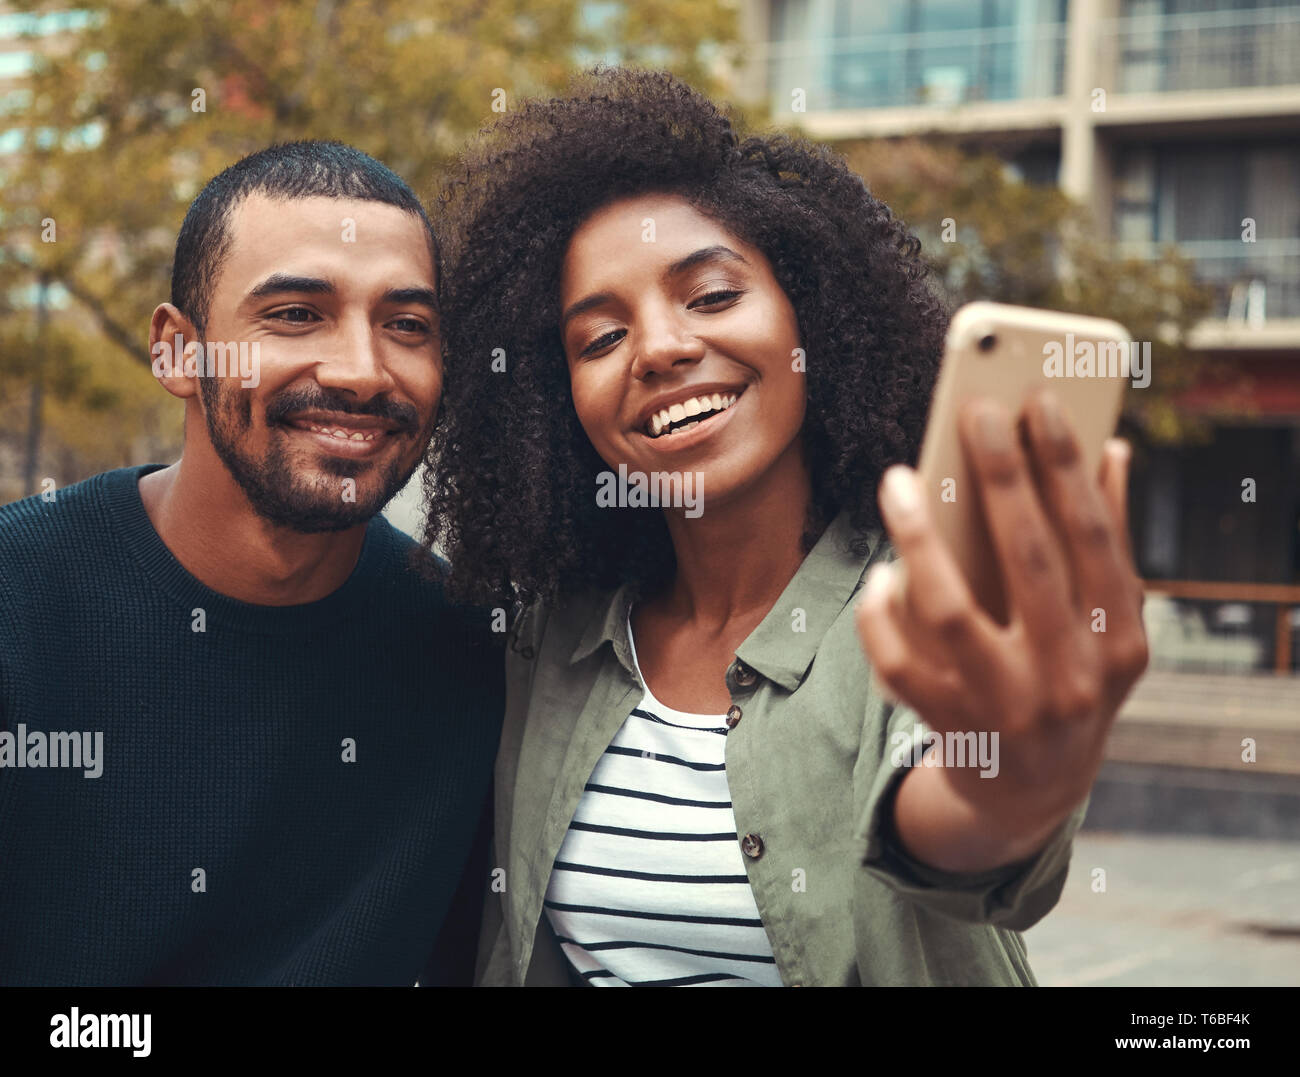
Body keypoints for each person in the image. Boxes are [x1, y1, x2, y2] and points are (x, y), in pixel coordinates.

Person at [426, 67, 1150, 987]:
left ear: (815, 322)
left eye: (713, 296)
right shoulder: (552, 632)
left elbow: (954, 825)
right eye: (600, 338)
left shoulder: (918, 596)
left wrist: (1010, 779)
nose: (658, 349)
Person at [0, 141, 501, 985]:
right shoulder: (20, 606)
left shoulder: (471, 651)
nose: (360, 370)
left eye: (406, 325)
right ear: (176, 351)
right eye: (297, 313)